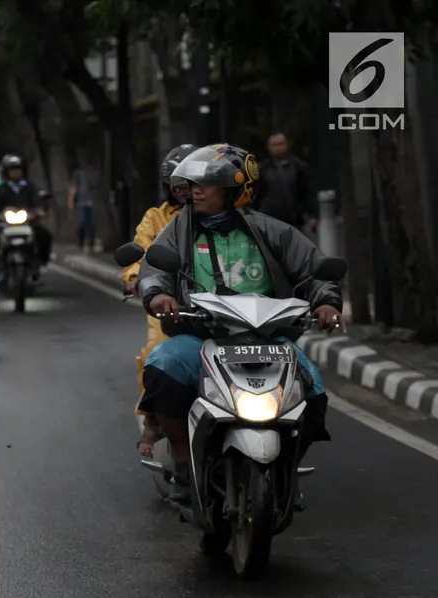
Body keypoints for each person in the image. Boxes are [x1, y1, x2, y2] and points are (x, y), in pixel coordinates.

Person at [136, 143, 342, 506]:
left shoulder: (272, 231)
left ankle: (288, 469)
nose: (195, 190)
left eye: (207, 185)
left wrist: (326, 301)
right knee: (162, 368)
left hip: (268, 337)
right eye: (193, 184)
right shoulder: (177, 231)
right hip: (201, 337)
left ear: (234, 191)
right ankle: (184, 465)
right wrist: (157, 295)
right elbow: (155, 271)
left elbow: (313, 271)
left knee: (314, 391)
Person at [121, 143, 196, 459]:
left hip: (219, 301)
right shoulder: (156, 218)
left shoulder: (225, 217)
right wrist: (138, 278)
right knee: (155, 352)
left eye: (190, 184)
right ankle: (152, 417)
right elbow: (140, 254)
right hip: (167, 300)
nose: (183, 191)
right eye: (176, 185)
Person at [0, 154, 51, 266]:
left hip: (28, 222)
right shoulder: (2, 189)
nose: (15, 172)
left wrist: (39, 211)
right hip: (6, 224)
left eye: (18, 169)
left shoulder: (30, 187)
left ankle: (41, 261)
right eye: (12, 170)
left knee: (44, 235)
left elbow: (38, 201)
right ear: (7, 172)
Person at [255, 131, 316, 234]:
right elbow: (255, 195)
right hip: (267, 221)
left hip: (294, 222)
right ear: (268, 147)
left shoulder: (298, 167)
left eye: (280, 144)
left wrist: (312, 216)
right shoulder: (261, 169)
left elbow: (307, 193)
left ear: (287, 145)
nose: (277, 148)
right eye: (274, 145)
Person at [67, 163, 97, 252]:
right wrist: (70, 203)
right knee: (82, 223)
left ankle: (91, 244)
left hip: (91, 203)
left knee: (92, 225)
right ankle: (81, 243)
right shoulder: (79, 174)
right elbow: (73, 188)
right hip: (81, 203)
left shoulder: (94, 173)